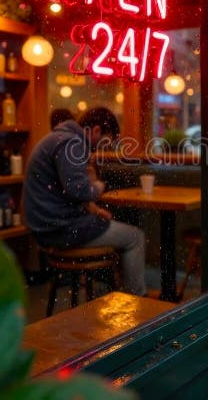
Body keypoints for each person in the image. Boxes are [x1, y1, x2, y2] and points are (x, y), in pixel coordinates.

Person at [24, 107, 147, 296]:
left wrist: (94, 210)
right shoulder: (71, 143)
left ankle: (113, 294)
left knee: (112, 224)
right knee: (135, 237)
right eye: (105, 140)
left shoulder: (61, 138)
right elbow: (79, 190)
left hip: (48, 225)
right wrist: (99, 186)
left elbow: (63, 192)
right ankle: (137, 299)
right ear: (96, 130)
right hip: (58, 230)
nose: (103, 147)